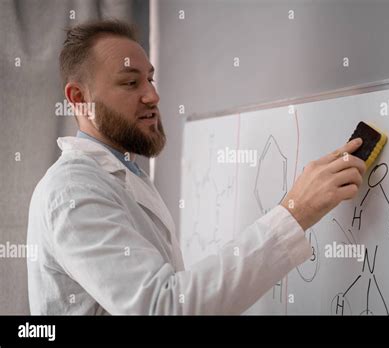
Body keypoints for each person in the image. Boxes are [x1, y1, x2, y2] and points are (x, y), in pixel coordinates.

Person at [27, 19, 366, 315]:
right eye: (131, 83)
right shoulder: (71, 192)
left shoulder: (123, 175)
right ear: (77, 97)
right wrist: (295, 213)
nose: (152, 96)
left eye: (150, 79)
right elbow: (164, 308)